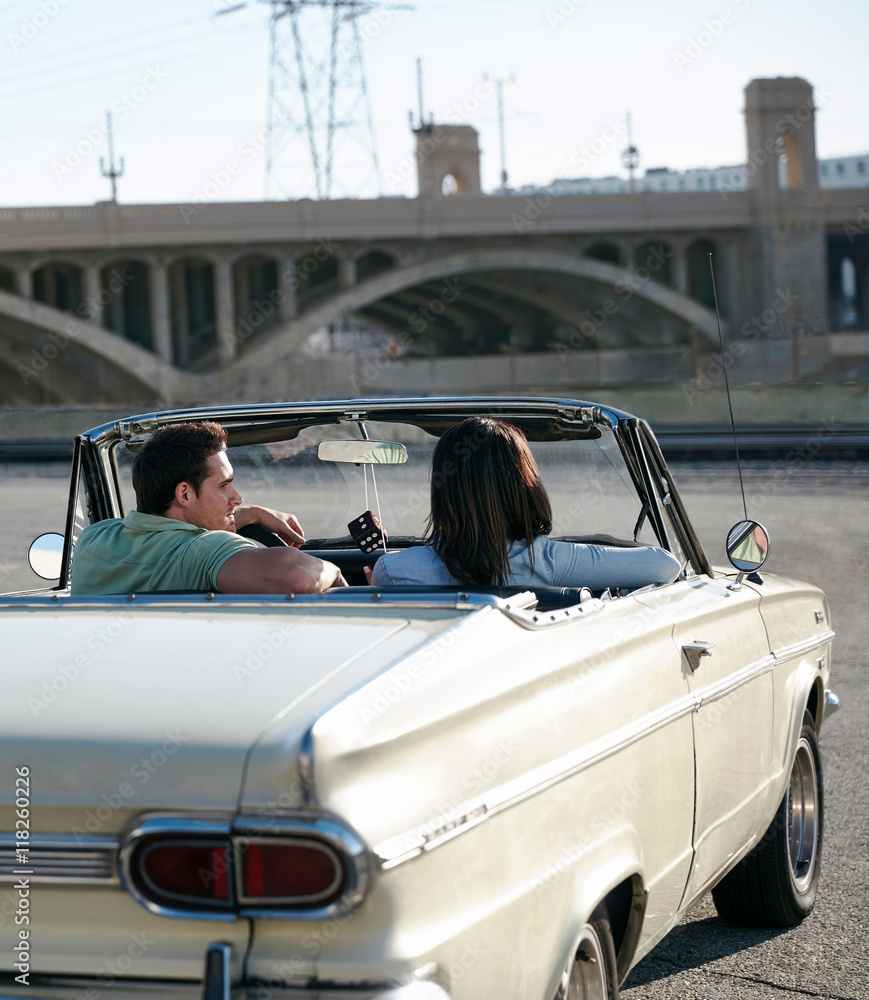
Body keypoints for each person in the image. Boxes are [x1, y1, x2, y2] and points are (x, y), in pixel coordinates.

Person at [369, 417, 680, 591]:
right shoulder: (551, 562)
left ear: (444, 492)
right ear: (525, 487)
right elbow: (665, 565)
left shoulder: (395, 572)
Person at [70, 421, 347, 595]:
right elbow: (295, 576)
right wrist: (334, 571)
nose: (236, 497)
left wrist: (253, 513)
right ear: (184, 494)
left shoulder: (93, 539)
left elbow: (170, 528)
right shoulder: (202, 550)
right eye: (224, 486)